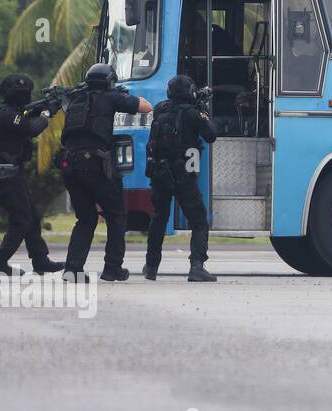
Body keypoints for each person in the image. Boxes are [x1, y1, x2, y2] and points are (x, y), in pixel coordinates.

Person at [58, 64, 151, 282]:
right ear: (110, 81)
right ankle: (112, 269)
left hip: (68, 164)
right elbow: (147, 107)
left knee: (86, 218)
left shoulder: (75, 99)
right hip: (95, 165)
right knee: (117, 216)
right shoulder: (111, 97)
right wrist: (121, 95)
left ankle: (72, 269)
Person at [144, 75, 217, 282]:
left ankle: (151, 267)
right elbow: (211, 134)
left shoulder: (160, 109)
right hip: (183, 175)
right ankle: (197, 266)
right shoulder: (193, 114)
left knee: (159, 219)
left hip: (159, 173)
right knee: (199, 221)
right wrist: (204, 110)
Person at [0, 75, 64, 275]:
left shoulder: (10, 112)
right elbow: (32, 129)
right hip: (5, 175)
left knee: (31, 217)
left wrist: (39, 110)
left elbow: (25, 121)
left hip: (11, 174)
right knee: (22, 219)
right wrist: (45, 113)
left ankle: (40, 260)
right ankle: (0, 260)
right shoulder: (8, 114)